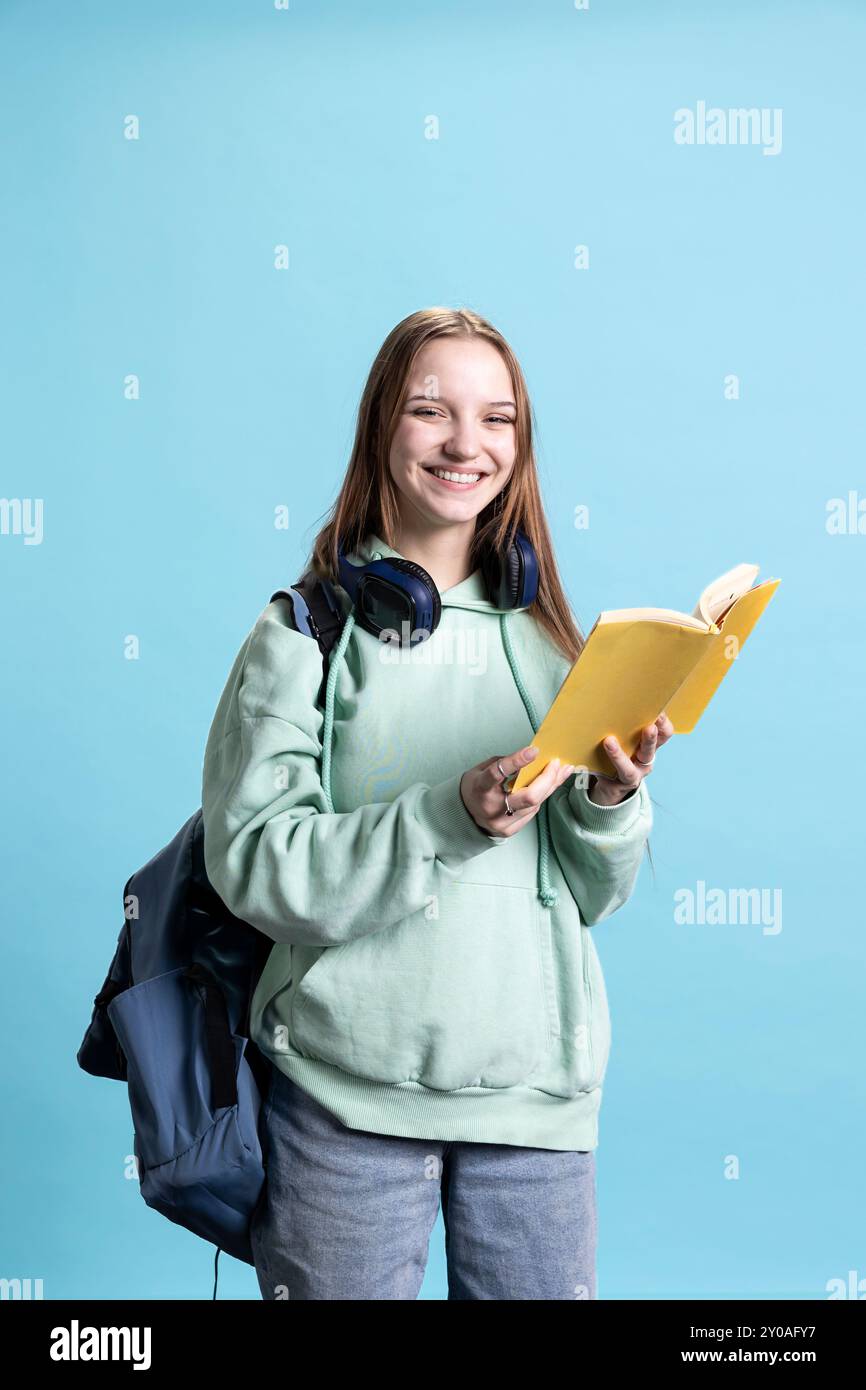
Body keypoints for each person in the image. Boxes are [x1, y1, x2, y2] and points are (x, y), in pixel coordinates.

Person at [201, 306, 671, 1300]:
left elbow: (591, 895)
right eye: (431, 410)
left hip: (535, 1111)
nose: (467, 443)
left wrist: (605, 802)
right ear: (382, 428)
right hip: (342, 1105)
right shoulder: (302, 635)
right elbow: (252, 864)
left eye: (496, 417)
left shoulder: (555, 648)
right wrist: (443, 817)